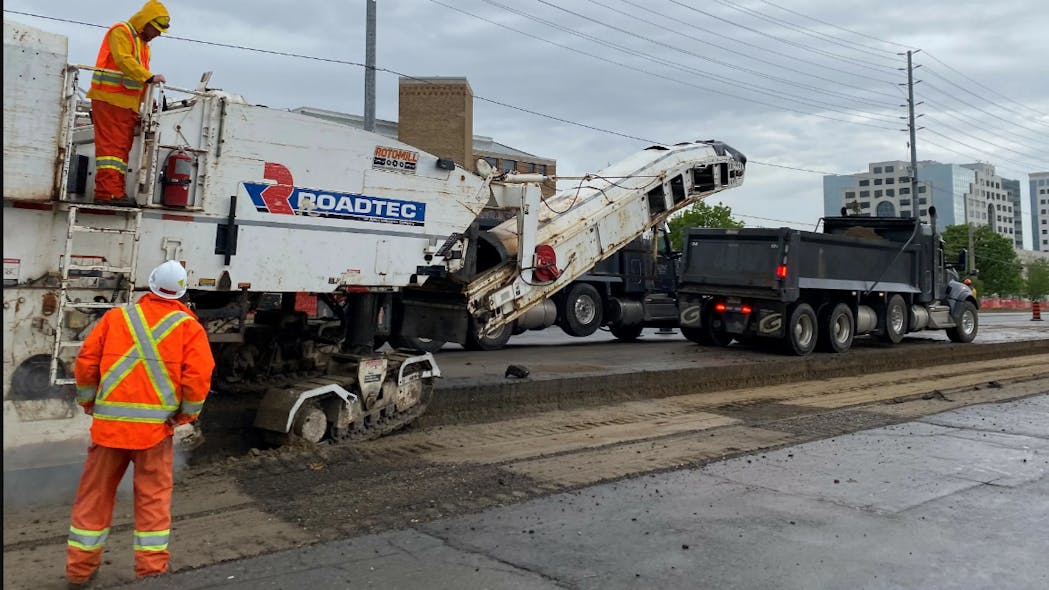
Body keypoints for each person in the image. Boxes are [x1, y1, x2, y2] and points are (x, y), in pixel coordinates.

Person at [66, 260, 214, 588]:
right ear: (181, 293)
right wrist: (185, 416)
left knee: (94, 498)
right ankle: (151, 574)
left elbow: (86, 363)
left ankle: (79, 573)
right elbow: (198, 378)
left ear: (149, 285)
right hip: (155, 433)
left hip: (109, 430)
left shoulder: (117, 318)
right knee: (152, 502)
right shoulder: (189, 328)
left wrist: (90, 402)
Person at [87, 1, 171, 206]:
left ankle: (114, 191)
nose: (157, 34)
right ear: (146, 22)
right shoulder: (121, 31)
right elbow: (124, 61)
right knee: (111, 149)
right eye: (156, 29)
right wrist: (150, 78)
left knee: (120, 151)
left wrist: (147, 99)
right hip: (110, 100)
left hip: (125, 104)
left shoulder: (143, 46)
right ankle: (107, 193)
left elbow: (136, 76)